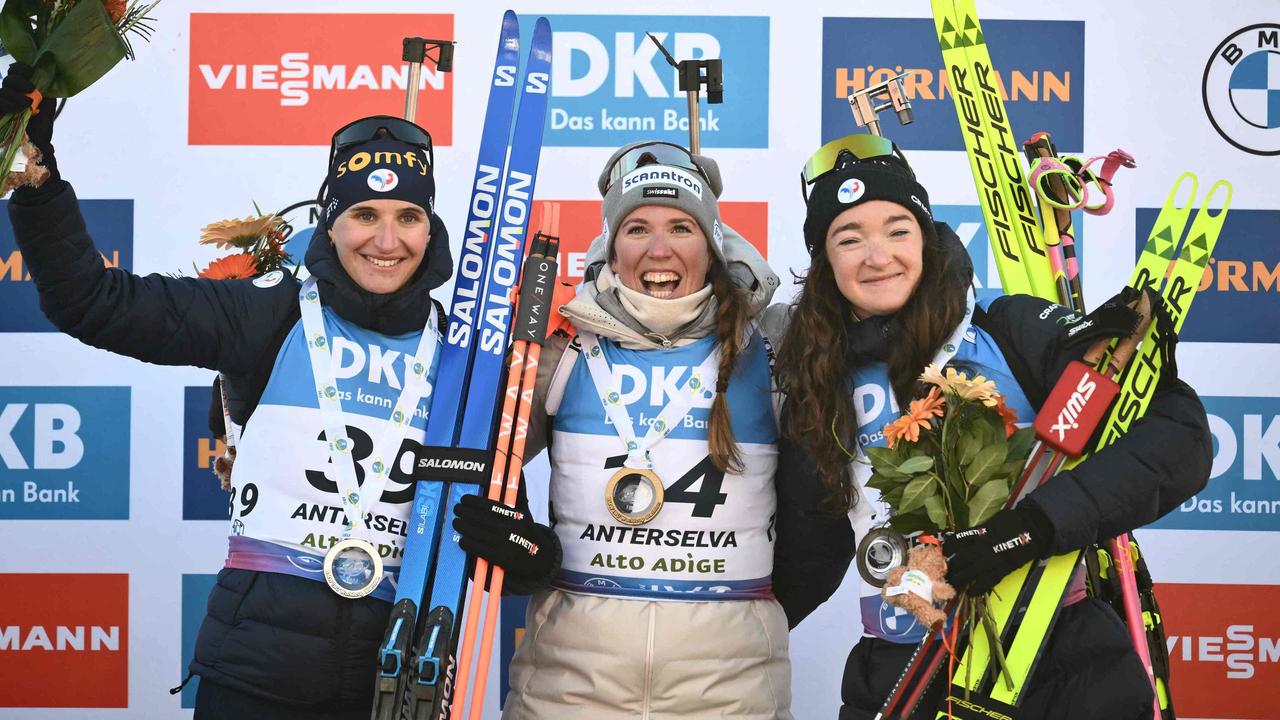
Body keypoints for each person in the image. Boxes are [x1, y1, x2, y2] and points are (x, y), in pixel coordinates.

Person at [1, 62, 551, 719]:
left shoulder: (462, 358)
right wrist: (38, 183)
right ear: (331, 221)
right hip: (258, 681)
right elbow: (93, 303)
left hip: (401, 683)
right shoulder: (273, 312)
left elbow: (506, 559)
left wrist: (523, 547)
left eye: (407, 216)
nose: (386, 240)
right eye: (364, 215)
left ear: (429, 230)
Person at [767, 136, 1211, 719]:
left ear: (926, 238)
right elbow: (808, 551)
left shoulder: (1009, 330)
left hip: (1063, 667)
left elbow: (1177, 439)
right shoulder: (818, 381)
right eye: (849, 239)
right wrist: (720, 640)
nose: (878, 256)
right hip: (903, 668)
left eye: (898, 230)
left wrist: (1028, 529)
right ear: (825, 262)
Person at [452, 141, 792, 719]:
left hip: (730, 692)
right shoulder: (562, 344)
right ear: (611, 245)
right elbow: (473, 464)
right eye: (636, 228)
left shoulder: (773, 343)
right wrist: (518, 543)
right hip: (569, 689)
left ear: (713, 247)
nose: (659, 251)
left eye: (683, 228)